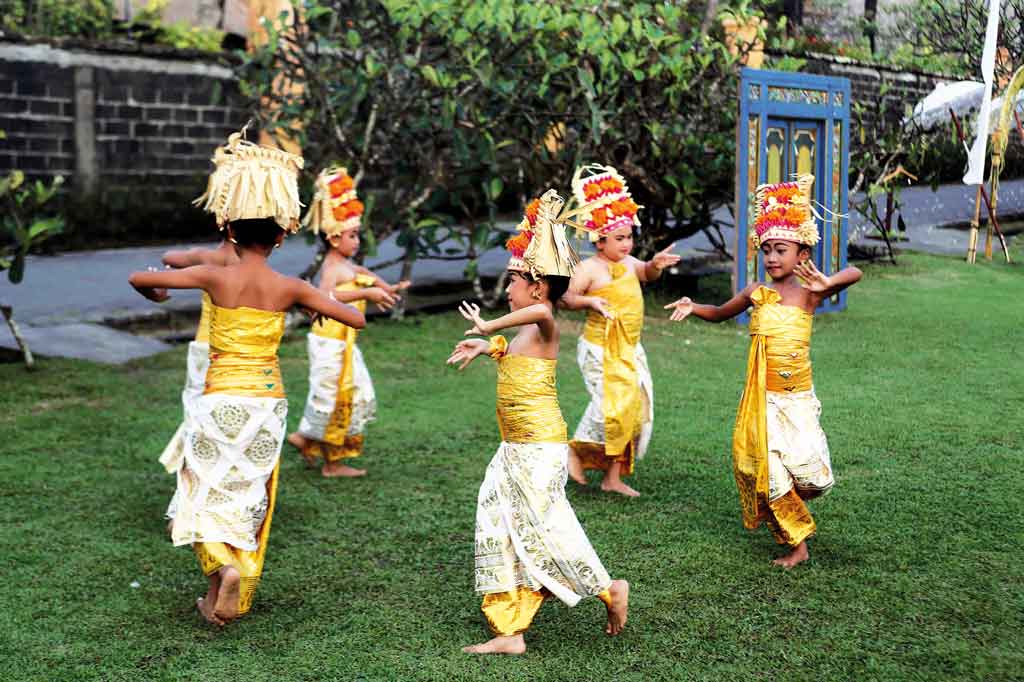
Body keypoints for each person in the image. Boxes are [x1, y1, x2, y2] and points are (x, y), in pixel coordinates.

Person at [129, 129, 366, 624]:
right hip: (267, 403)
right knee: (250, 493)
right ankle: (224, 592)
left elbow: (144, 277)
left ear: (230, 231)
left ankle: (221, 569)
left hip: (218, 399)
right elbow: (355, 318)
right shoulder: (290, 285)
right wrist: (320, 303)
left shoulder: (216, 275)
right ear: (281, 236)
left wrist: (156, 296)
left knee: (200, 489)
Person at [447, 190, 628, 655]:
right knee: (498, 519)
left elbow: (545, 312)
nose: (506, 288)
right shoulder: (525, 332)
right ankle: (511, 629)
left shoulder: (544, 320)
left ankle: (608, 589)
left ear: (536, 285)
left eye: (514, 280)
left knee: (546, 527)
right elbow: (517, 352)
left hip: (538, 448)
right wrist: (488, 347)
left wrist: (490, 327)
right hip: (514, 447)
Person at [664, 175, 861, 568]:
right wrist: (693, 305)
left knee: (813, 478)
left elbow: (855, 272)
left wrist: (830, 281)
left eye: (781, 250)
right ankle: (797, 542)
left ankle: (790, 500)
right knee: (766, 474)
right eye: (767, 249)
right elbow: (721, 314)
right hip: (763, 400)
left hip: (798, 400)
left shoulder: (810, 291)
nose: (772, 258)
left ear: (801, 253)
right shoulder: (756, 292)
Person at [560, 164, 680, 497]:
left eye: (629, 237)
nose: (627, 244)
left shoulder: (628, 264)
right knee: (608, 405)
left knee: (636, 408)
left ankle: (613, 476)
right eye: (620, 238)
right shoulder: (589, 268)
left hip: (629, 348)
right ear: (600, 240)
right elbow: (566, 299)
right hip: (599, 348)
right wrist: (591, 304)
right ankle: (575, 451)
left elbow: (646, 274)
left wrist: (655, 265)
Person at [286, 168, 410, 477]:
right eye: (352, 235)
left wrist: (385, 287)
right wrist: (368, 292)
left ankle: (304, 438)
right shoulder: (330, 266)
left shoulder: (344, 263)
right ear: (333, 237)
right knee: (335, 396)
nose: (357, 241)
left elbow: (362, 274)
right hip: (330, 341)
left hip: (342, 342)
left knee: (347, 393)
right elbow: (324, 295)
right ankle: (332, 462)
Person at [157, 240, 239, 477]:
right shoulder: (250, 262)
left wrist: (166, 277)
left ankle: (202, 475)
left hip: (210, 349)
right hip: (229, 352)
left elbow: (169, 256)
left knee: (201, 416)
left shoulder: (206, 257)